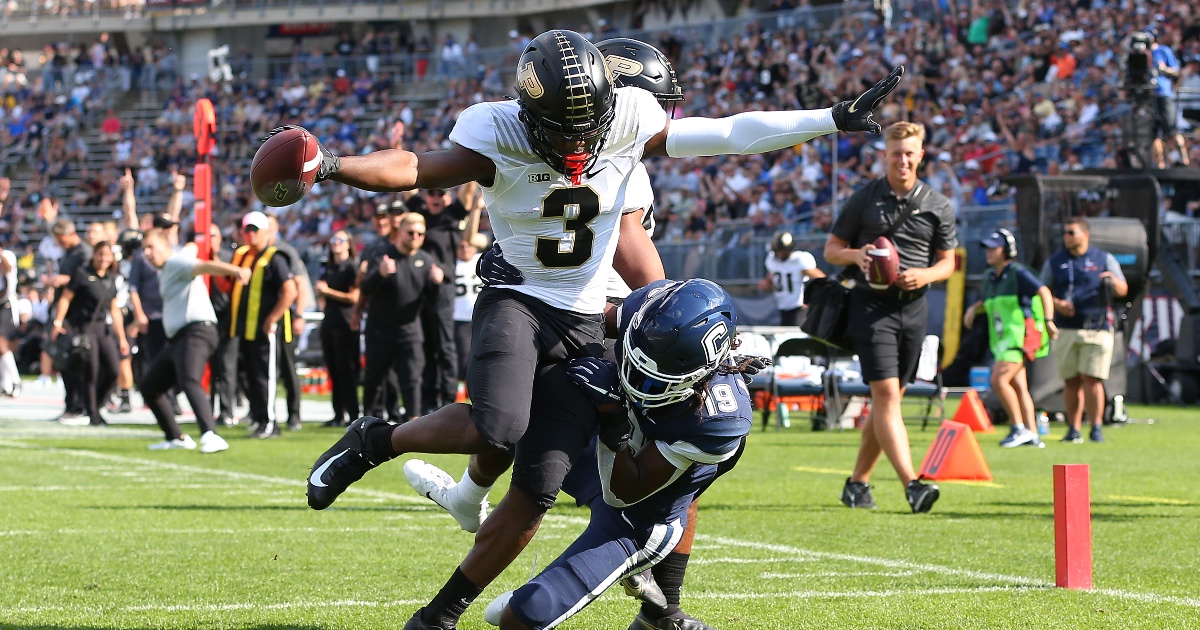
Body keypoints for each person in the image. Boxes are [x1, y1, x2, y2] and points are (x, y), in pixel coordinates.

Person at [302, 29, 899, 630]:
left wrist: (829, 118)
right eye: (561, 130)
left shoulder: (632, 118)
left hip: (593, 317)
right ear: (530, 111)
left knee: (540, 486)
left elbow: (730, 133)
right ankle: (377, 441)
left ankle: (445, 615)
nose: (578, 144)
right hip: (519, 297)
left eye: (588, 129)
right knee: (499, 428)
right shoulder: (495, 128)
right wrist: (332, 165)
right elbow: (414, 166)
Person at [491, 279, 761, 630]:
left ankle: (656, 598)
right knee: (512, 409)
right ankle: (468, 492)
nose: (637, 382)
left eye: (657, 379)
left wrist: (614, 415)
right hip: (602, 460)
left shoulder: (718, 418)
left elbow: (622, 494)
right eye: (636, 364)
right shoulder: (647, 310)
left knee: (521, 617)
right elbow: (586, 318)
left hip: (636, 518)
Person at [824, 121, 956, 513]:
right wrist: (857, 255)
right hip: (871, 306)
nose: (902, 160)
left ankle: (857, 483)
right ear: (885, 155)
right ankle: (912, 485)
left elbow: (948, 262)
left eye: (909, 153)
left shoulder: (938, 204)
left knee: (891, 401)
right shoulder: (864, 199)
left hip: (915, 307)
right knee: (884, 394)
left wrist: (926, 274)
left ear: (921, 155)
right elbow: (832, 249)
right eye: (895, 153)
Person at [138, 229, 250, 452]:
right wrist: (195, 241)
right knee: (150, 386)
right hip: (179, 339)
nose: (147, 254)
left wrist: (235, 270)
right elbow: (193, 248)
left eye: (151, 247)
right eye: (144, 249)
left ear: (166, 245)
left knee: (189, 379)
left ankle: (211, 435)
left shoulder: (176, 262)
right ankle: (176, 438)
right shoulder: (174, 261)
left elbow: (204, 266)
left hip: (196, 332)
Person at [963, 229, 1057, 449]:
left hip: (1019, 336)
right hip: (1003, 339)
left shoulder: (1018, 273)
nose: (989, 252)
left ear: (1007, 250)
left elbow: (1043, 291)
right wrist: (972, 310)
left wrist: (1049, 319)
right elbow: (988, 302)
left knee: (999, 380)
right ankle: (1032, 434)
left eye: (994, 248)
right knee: (1018, 385)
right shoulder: (990, 277)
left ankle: (1018, 428)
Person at [1040, 216, 1128, 443]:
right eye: (1065, 233)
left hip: (1096, 327)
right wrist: (1058, 304)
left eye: (1072, 233)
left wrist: (1111, 280)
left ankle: (1096, 426)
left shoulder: (1103, 259)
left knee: (1092, 379)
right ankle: (1073, 428)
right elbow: (1042, 290)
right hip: (1066, 328)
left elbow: (1123, 289)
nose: (1067, 238)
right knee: (1071, 381)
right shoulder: (1056, 261)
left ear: (1085, 234)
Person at [359, 212, 444, 422]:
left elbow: (431, 302)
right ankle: (365, 422)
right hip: (380, 331)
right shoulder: (383, 256)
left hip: (410, 333)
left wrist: (436, 284)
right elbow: (365, 288)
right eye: (411, 232)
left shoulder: (426, 261)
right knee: (374, 380)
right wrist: (379, 273)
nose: (415, 237)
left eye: (420, 234)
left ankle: (413, 423)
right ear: (399, 232)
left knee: (412, 380)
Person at [408, 183, 482, 414]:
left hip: (444, 287)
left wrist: (472, 172)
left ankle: (448, 398)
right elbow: (408, 189)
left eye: (440, 193)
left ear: (447, 197)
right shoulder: (420, 215)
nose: (436, 196)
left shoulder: (452, 215)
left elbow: (467, 195)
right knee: (425, 346)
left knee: (444, 345)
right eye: (432, 192)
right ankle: (428, 399)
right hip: (421, 289)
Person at [229, 211, 298, 439]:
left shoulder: (275, 257)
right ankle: (259, 419)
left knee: (265, 377)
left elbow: (290, 291)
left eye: (254, 230)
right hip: (249, 330)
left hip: (266, 331)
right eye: (246, 230)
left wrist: (272, 318)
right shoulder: (246, 256)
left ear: (266, 232)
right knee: (252, 375)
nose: (250, 235)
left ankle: (270, 424)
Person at [51, 242, 130, 427]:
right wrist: (58, 321)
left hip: (103, 329)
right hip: (84, 329)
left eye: (107, 255)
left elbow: (114, 309)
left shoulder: (111, 279)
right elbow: (66, 298)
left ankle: (95, 404)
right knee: (91, 372)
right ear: (94, 255)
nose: (103, 259)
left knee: (113, 370)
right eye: (100, 254)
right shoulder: (82, 274)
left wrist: (122, 338)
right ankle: (93, 414)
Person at [267, 214, 311, 431]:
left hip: (284, 319)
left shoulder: (284, 251)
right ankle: (265, 414)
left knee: (287, 368)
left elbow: (299, 284)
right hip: (268, 320)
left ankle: (294, 415)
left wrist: (299, 315)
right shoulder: (259, 252)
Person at [46, 220, 92, 421]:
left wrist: (61, 280)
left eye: (61, 239)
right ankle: (71, 405)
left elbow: (84, 278)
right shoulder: (68, 253)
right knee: (65, 360)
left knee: (76, 360)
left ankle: (79, 405)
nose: (59, 243)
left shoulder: (84, 252)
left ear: (71, 234)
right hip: (66, 314)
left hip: (79, 313)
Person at [315, 230, 360, 427]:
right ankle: (338, 414)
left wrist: (328, 292)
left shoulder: (351, 267)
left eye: (340, 240)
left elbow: (353, 297)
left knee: (346, 371)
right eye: (333, 240)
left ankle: (352, 413)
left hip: (346, 322)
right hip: (330, 321)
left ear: (348, 245)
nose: (335, 243)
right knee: (333, 369)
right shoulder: (328, 267)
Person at [758, 231, 824, 326]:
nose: (779, 254)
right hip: (782, 307)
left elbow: (821, 280)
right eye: (777, 251)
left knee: (796, 335)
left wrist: (811, 298)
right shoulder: (772, 260)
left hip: (798, 308)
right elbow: (772, 282)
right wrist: (766, 285)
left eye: (781, 250)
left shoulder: (799, 261)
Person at [1148, 27, 1190, 169]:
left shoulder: (1163, 50)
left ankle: (1184, 160)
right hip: (1149, 95)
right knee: (1154, 134)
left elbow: (1177, 72)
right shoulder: (1142, 54)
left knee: (1171, 130)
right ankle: (1160, 164)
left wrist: (1163, 69)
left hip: (1164, 93)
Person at [452, 233, 487, 393]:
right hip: (459, 319)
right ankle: (462, 390)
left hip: (481, 317)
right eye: (461, 246)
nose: (465, 249)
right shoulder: (451, 263)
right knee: (463, 357)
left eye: (468, 245)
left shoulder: (483, 261)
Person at [0, 241, 18, 397]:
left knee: (2, 343)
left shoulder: (7, 256)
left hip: (6, 305)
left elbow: (8, 269)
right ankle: (6, 383)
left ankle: (15, 380)